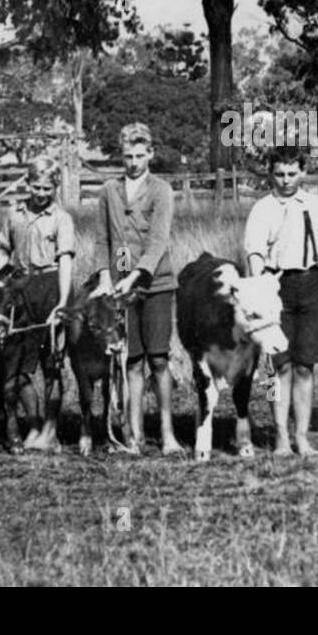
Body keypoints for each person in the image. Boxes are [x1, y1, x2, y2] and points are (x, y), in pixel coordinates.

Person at [243, 145, 318, 456]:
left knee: (305, 366)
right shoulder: (262, 208)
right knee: (277, 367)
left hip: (312, 284)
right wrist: (262, 292)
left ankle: (302, 435)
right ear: (270, 174)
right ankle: (281, 435)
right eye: (279, 174)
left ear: (303, 172)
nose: (286, 180)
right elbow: (255, 253)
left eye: (292, 173)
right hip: (276, 286)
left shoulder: (316, 205)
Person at [94, 123, 183, 456]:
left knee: (158, 359)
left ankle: (168, 433)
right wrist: (106, 276)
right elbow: (103, 239)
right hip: (120, 287)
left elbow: (159, 239)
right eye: (128, 156)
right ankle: (134, 434)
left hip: (155, 283)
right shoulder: (108, 191)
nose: (133, 162)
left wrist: (136, 275)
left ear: (151, 154)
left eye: (139, 156)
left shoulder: (161, 190)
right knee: (130, 361)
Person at [0, 156, 74, 452]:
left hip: (51, 287)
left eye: (47, 188)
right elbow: (2, 253)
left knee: (52, 363)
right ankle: (31, 423)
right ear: (28, 184)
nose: (41, 193)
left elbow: (66, 260)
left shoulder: (61, 218)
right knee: (18, 364)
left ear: (55, 187)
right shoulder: (14, 214)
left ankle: (50, 430)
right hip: (19, 290)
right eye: (36, 187)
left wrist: (63, 302)